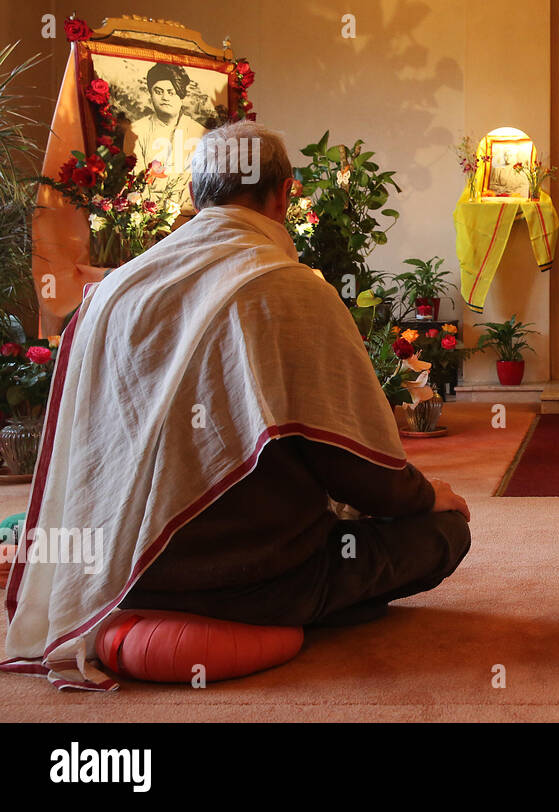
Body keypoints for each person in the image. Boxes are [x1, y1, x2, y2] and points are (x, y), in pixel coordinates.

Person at [2, 121, 471, 691]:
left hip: (121, 576)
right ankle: (292, 608)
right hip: (254, 579)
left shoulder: (114, 290)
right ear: (283, 195)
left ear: (195, 198)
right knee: (445, 535)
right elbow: (358, 469)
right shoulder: (292, 288)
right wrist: (427, 497)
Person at [124, 62, 207, 205]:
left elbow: (200, 183)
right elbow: (134, 179)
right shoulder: (137, 130)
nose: (165, 98)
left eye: (171, 92)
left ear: (181, 97)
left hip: (188, 211)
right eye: (158, 91)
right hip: (146, 210)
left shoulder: (199, 133)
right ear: (151, 94)